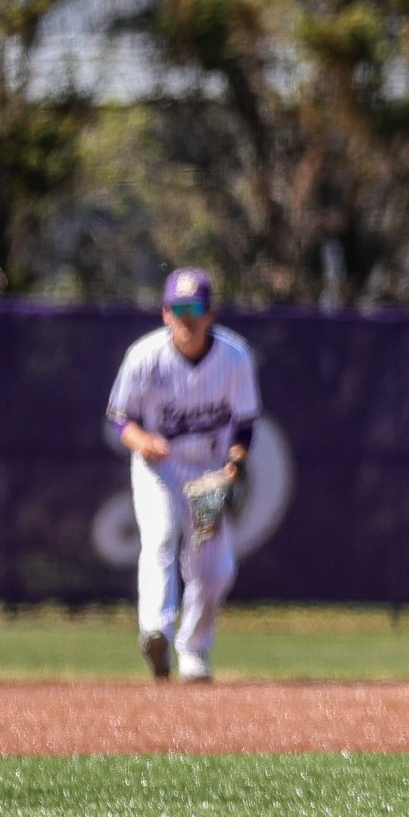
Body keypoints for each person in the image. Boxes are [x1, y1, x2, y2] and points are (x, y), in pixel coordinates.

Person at [106, 267, 261, 683]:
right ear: (165, 313)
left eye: (194, 309)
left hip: (209, 470)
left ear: (211, 314)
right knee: (160, 536)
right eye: (178, 309)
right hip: (159, 468)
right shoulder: (144, 356)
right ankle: (155, 630)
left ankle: (194, 651)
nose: (186, 318)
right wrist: (142, 441)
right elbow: (120, 417)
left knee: (214, 571)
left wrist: (234, 467)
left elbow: (245, 424)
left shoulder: (235, 357)